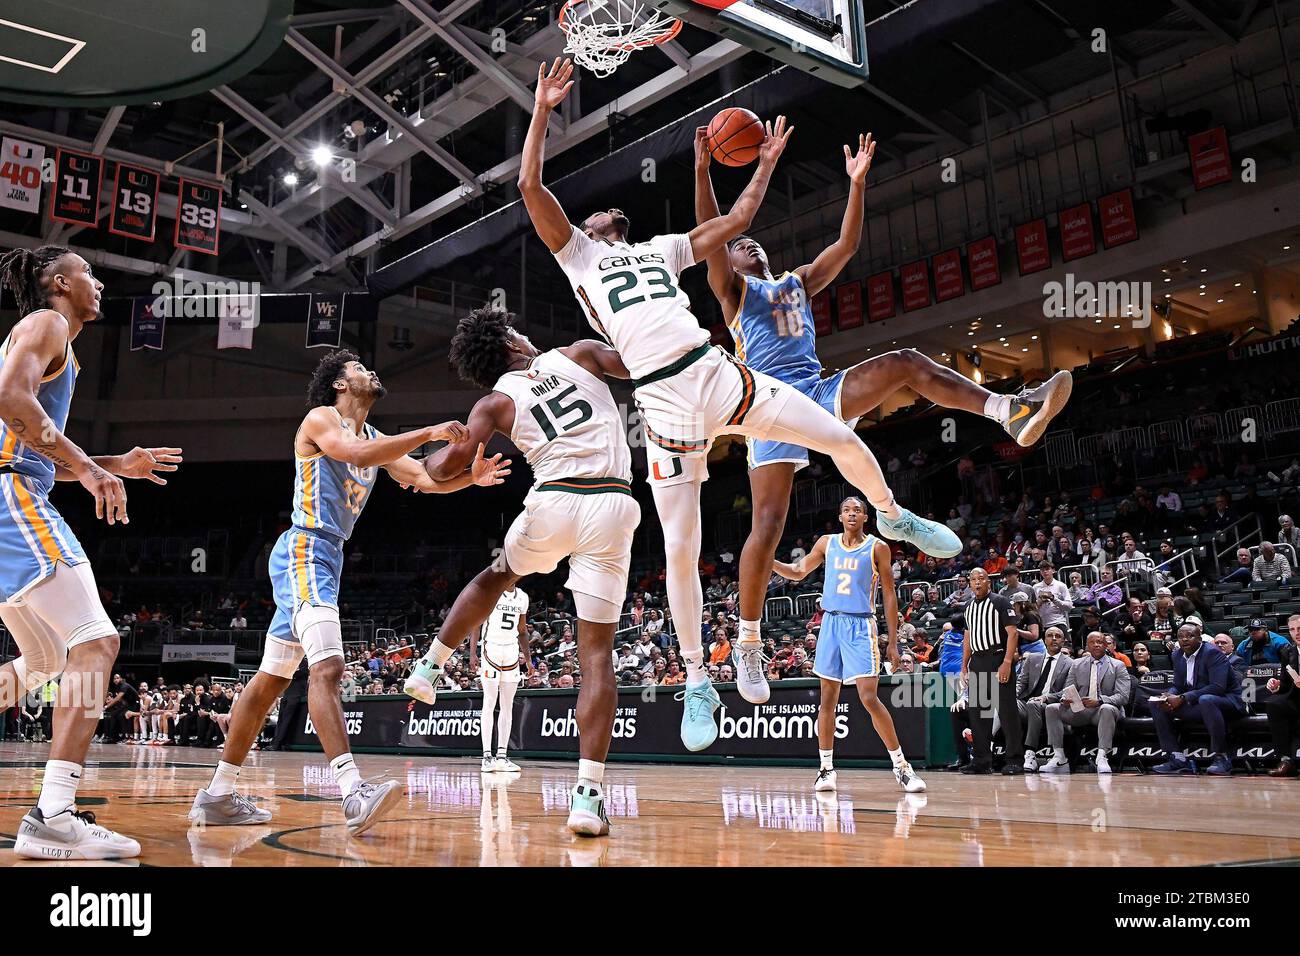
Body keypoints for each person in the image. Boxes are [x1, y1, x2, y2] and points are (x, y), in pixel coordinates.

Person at [517, 59, 963, 752]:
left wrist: (767, 161)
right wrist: (544, 108)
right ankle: (699, 676)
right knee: (680, 545)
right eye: (607, 212)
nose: (615, 213)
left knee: (838, 438)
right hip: (662, 401)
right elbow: (529, 184)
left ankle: (894, 514)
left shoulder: (662, 249)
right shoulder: (575, 254)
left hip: (716, 371)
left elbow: (741, 218)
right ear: (589, 225)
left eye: (615, 214)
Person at [695, 125, 1070, 707]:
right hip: (765, 407)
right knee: (766, 529)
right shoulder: (732, 293)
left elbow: (845, 247)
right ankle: (747, 644)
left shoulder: (795, 284)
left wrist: (857, 185)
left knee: (904, 363)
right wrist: (705, 172)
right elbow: (714, 235)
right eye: (744, 245)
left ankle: (1007, 411)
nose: (753, 246)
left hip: (817, 393)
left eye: (757, 244)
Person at [187, 349, 506, 832]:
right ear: (339, 383)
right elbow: (353, 455)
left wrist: (470, 479)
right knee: (329, 666)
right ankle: (353, 792)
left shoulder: (376, 437)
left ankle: (217, 795)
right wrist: (429, 433)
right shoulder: (320, 419)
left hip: (328, 559)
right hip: (304, 549)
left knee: (270, 682)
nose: (371, 370)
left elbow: (422, 478)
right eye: (358, 368)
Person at [404, 308, 639, 838]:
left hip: (554, 502)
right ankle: (587, 796)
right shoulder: (578, 353)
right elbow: (636, 363)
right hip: (612, 502)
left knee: (495, 576)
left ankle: (431, 665)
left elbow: (440, 469)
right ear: (511, 339)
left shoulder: (495, 403)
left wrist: (460, 461)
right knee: (596, 655)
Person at [0, 245, 184, 859]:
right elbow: (10, 398)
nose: (99, 283)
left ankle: (53, 808)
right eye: (88, 273)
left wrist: (111, 465)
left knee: (46, 660)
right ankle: (53, 813)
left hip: (18, 490)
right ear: (60, 283)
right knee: (97, 642)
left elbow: (34, 441)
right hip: (12, 498)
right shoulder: (46, 323)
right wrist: (88, 467)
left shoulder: (61, 345)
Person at [772, 496, 925, 794]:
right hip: (830, 623)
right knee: (827, 701)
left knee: (868, 697)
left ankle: (901, 767)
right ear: (840, 516)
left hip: (860, 625)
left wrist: (893, 642)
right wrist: (770, 562)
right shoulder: (827, 543)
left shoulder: (877, 547)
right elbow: (799, 571)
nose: (851, 514)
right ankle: (826, 769)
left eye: (857, 510)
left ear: (866, 517)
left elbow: (890, 595)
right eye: (846, 510)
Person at [1150, 624, 1244, 775]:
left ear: (1200, 638)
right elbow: (1178, 685)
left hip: (1228, 702)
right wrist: (1169, 695)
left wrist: (1182, 697)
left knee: (1207, 699)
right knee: (1156, 704)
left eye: (1190, 636)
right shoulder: (1177, 655)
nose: (1185, 639)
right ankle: (1177, 758)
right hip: (1199, 703)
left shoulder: (1213, 653)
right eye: (1181, 636)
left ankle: (1222, 757)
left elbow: (1217, 687)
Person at [1038, 632, 1131, 774]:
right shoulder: (1076, 664)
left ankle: (1102, 757)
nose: (1096, 644)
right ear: (1087, 646)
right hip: (1080, 709)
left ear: (1106, 645)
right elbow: (1067, 688)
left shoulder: (1118, 665)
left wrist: (1099, 701)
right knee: (1052, 708)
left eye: (1100, 642)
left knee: (1106, 708)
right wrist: (1065, 698)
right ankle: (1059, 757)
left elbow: (1123, 697)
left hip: (1102, 711)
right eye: (1092, 642)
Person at [959, 567, 1022, 774]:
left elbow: (1012, 634)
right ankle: (981, 761)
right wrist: (964, 666)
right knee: (978, 714)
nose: (977, 582)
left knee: (1007, 712)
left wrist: (1006, 662)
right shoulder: (968, 606)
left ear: (989, 582)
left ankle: (1014, 760)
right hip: (977, 661)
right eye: (973, 579)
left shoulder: (1000, 602)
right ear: (969, 584)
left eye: (981, 578)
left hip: (998, 658)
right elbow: (967, 639)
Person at [469, 586, 533, 773]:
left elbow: (522, 631)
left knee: (508, 705)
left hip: (512, 650)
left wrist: (528, 660)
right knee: (489, 701)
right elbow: (476, 624)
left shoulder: (522, 596)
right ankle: (487, 756)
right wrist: (472, 654)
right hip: (491, 648)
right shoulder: (491, 592)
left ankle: (502, 757)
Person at [1017, 626, 1072, 770]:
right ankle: (988, 743)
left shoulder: (1070, 663)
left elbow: (1067, 691)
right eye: (1050, 635)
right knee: (1005, 702)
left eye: (1058, 636)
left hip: (1050, 706)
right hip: (1026, 702)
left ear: (1063, 641)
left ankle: (1030, 754)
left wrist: (1045, 697)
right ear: (1044, 640)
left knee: (1033, 704)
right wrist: (1011, 696)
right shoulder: (1032, 658)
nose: (1054, 638)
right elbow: (1021, 683)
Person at [1265, 614, 1300, 776]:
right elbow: (1286, 684)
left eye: (1299, 628)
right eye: (1292, 629)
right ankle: (1286, 760)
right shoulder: (1288, 651)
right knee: (1274, 703)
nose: (1296, 633)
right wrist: (1276, 685)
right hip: (1296, 698)